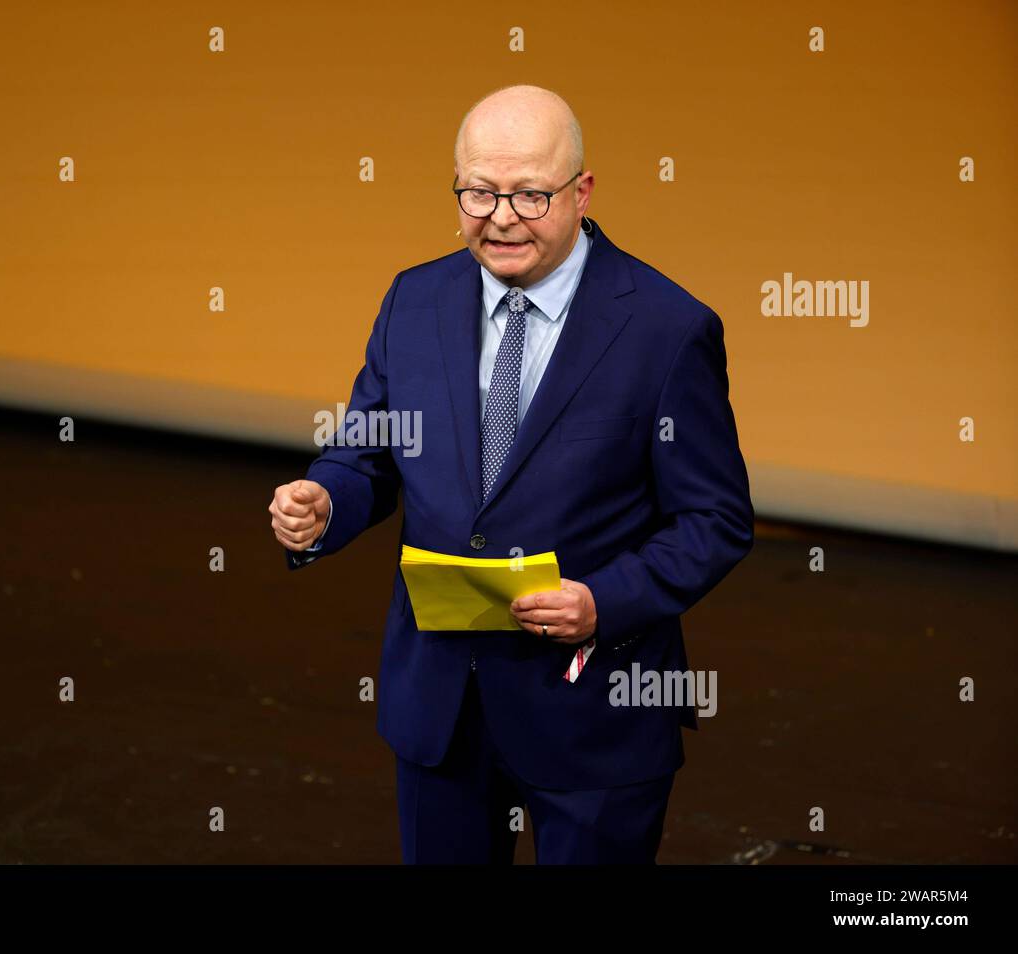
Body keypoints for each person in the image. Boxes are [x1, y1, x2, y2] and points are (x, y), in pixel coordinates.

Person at [268, 84, 753, 864]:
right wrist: (328, 500)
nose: (500, 217)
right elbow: (371, 449)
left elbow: (716, 521)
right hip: (440, 709)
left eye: (531, 194)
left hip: (594, 718)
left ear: (581, 190)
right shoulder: (413, 299)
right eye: (479, 192)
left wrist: (604, 602)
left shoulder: (667, 329)